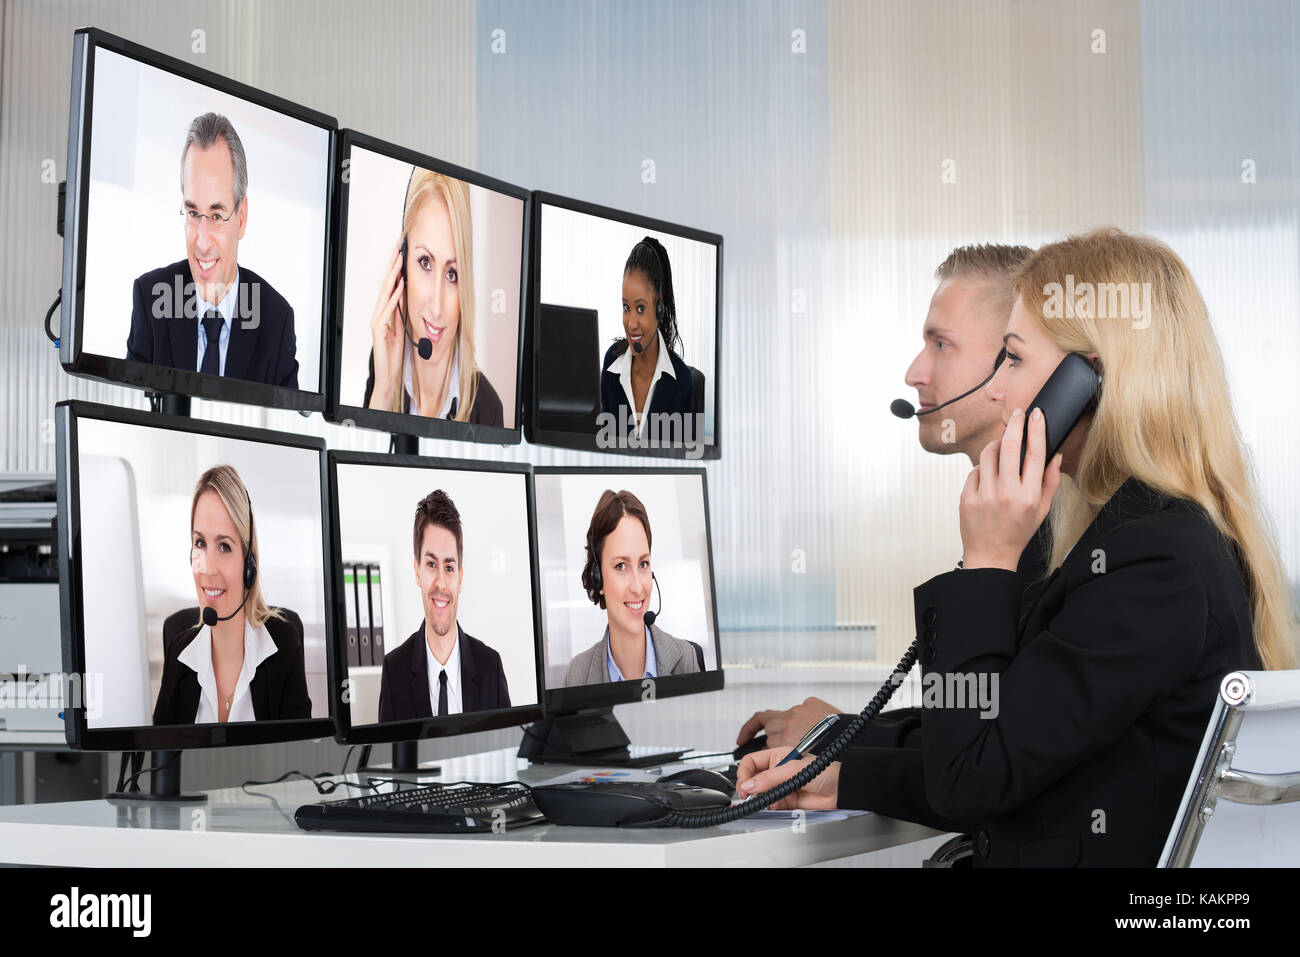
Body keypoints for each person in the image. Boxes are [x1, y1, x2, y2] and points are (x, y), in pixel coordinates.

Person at [738, 228, 1296, 867]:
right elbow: (1005, 727)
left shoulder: (1152, 561)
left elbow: (970, 775)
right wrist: (840, 760)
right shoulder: (1143, 536)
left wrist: (988, 562)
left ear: (1089, 382)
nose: (996, 389)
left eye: (1013, 359)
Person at [736, 244, 1034, 750]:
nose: (915, 372)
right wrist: (839, 732)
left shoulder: (1062, 540)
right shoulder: (1017, 521)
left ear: (1009, 363)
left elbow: (985, 764)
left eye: (941, 344)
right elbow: (970, 729)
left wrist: (838, 744)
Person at [126, 112, 299, 388]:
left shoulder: (276, 321)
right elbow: (129, 423)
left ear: (241, 219)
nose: (203, 243)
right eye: (194, 213)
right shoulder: (150, 300)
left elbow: (286, 429)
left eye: (217, 216)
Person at [153, 465, 310, 724]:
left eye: (224, 546)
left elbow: (298, 756)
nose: (208, 568)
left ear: (249, 564)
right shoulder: (178, 653)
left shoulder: (283, 644)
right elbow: (158, 758)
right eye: (200, 543)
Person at [363, 169, 503, 425]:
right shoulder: (381, 364)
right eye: (425, 263)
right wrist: (383, 390)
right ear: (402, 266)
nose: (437, 307)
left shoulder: (488, 407)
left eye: (452, 274)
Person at [377, 489, 510, 721]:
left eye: (449, 567)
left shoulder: (491, 667)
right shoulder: (394, 671)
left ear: (460, 577)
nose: (440, 582)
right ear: (417, 571)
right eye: (430, 564)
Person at [565, 489, 703, 686]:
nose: (638, 588)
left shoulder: (687, 659)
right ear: (598, 578)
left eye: (643, 564)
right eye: (621, 566)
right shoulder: (578, 674)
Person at [599, 237, 702, 447]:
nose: (631, 324)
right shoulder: (612, 364)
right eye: (626, 308)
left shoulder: (682, 380)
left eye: (640, 308)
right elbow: (600, 446)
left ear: (659, 309)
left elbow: (688, 464)